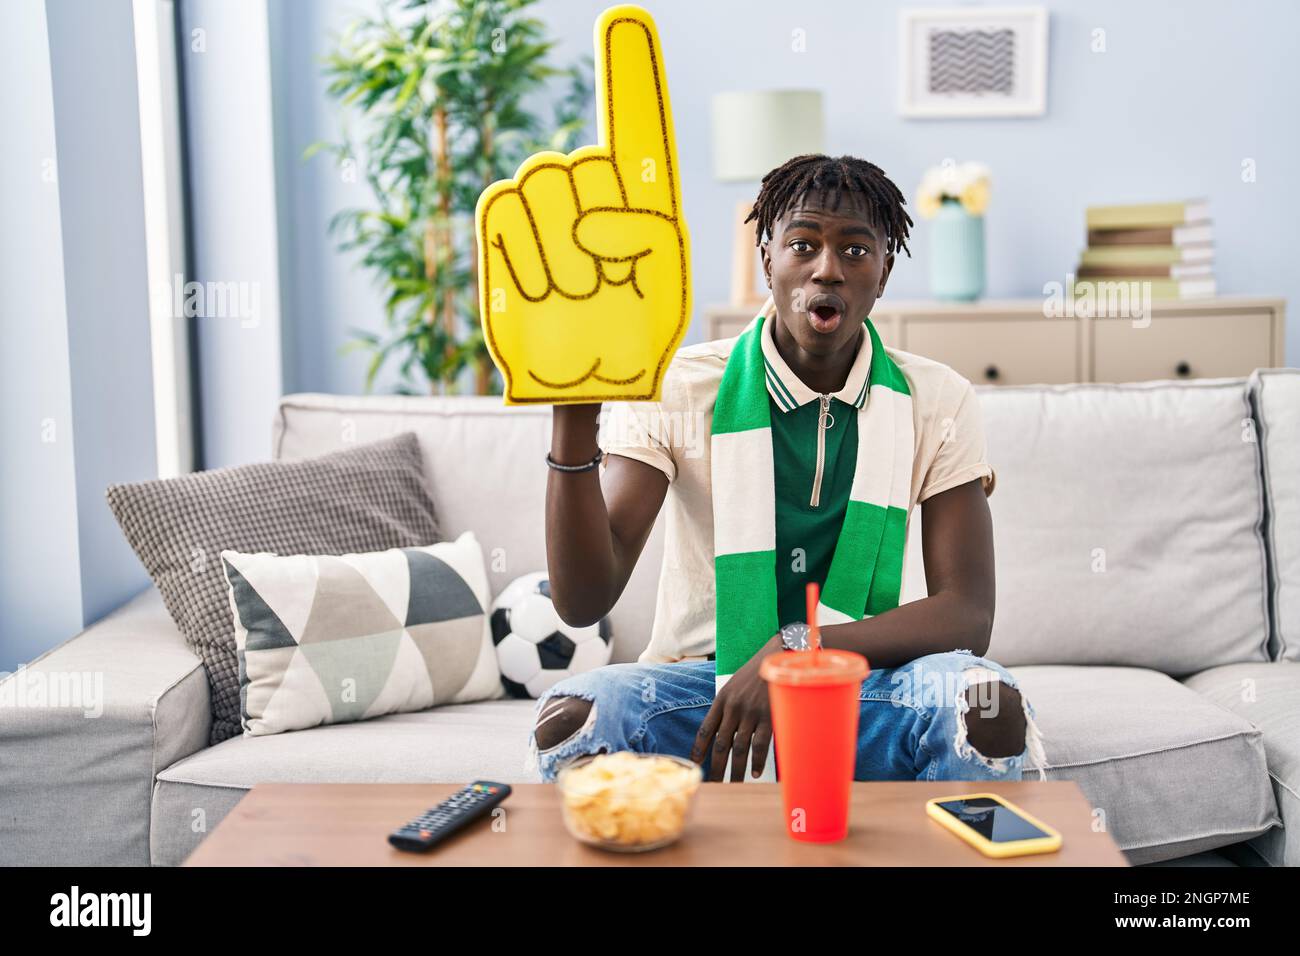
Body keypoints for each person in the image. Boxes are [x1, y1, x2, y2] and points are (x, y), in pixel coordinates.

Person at [530, 153, 1047, 784]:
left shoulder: (937, 399)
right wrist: (571, 411)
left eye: (856, 251)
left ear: (883, 274)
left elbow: (967, 613)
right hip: (705, 690)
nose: (827, 268)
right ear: (767, 257)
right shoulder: (684, 389)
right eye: (803, 244)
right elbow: (583, 600)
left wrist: (795, 648)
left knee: (980, 704)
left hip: (863, 683)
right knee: (579, 716)